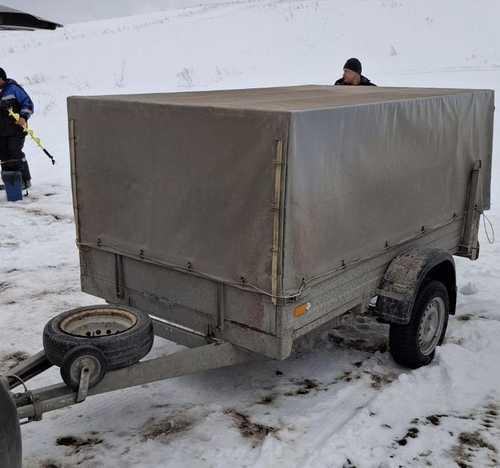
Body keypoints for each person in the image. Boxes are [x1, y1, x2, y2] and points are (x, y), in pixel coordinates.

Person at [0, 67, 34, 190]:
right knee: (3, 155)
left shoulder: (13, 89)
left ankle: (25, 180)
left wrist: (24, 116)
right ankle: (11, 183)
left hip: (16, 129)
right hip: (1, 132)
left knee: (14, 152)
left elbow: (28, 103)